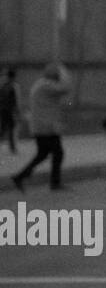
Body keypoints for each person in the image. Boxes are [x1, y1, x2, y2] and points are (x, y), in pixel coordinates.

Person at [11, 63, 71, 192]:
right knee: (57, 153)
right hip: (46, 127)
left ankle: (20, 177)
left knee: (43, 154)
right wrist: (64, 71)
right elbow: (65, 88)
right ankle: (54, 183)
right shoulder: (46, 85)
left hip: (42, 126)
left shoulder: (41, 84)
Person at [0, 68, 18, 154]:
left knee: (6, 128)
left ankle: (12, 147)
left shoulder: (4, 84)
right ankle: (12, 147)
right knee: (8, 129)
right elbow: (14, 100)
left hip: (4, 109)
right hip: (8, 110)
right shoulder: (11, 86)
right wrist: (16, 109)